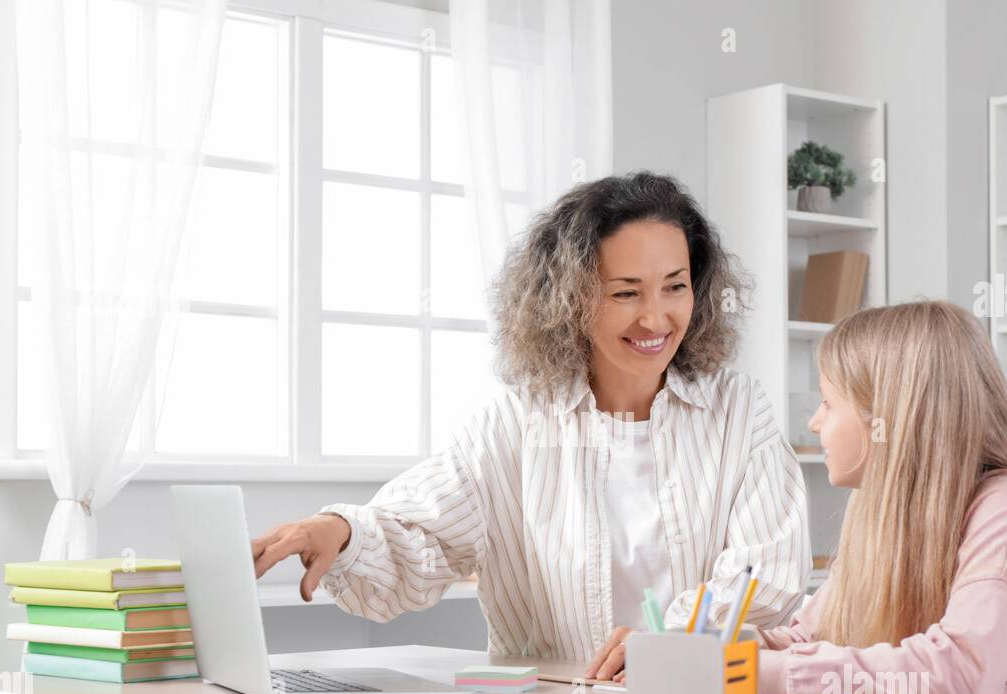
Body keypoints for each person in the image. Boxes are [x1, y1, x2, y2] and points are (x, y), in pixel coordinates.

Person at [251, 171, 812, 664]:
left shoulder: (740, 413)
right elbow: (417, 536)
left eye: (675, 287)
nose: (655, 317)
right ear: (569, 298)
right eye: (625, 293)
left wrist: (666, 642)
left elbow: (767, 577)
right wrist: (342, 531)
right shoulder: (513, 426)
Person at [756, 299, 1007, 694]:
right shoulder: (878, 512)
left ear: (888, 416)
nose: (814, 423)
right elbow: (812, 637)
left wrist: (768, 674)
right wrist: (739, 649)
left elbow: (960, 673)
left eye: (827, 402)